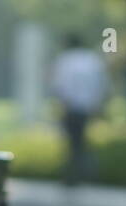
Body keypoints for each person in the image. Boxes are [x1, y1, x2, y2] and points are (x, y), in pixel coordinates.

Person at [50, 34, 109, 187]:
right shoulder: (92, 60)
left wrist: (62, 105)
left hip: (72, 107)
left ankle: (74, 176)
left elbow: (60, 85)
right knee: (80, 141)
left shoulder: (65, 60)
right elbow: (101, 84)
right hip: (88, 106)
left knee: (73, 143)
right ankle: (86, 173)